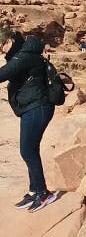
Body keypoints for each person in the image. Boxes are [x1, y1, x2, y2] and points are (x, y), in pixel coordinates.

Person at [0, 28, 60, 211]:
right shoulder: (23, 53)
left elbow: (2, 74)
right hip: (32, 107)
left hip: (37, 107)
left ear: (10, 41)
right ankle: (34, 191)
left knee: (27, 150)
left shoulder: (24, 56)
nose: (1, 50)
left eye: (1, 46)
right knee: (29, 149)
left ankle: (43, 193)